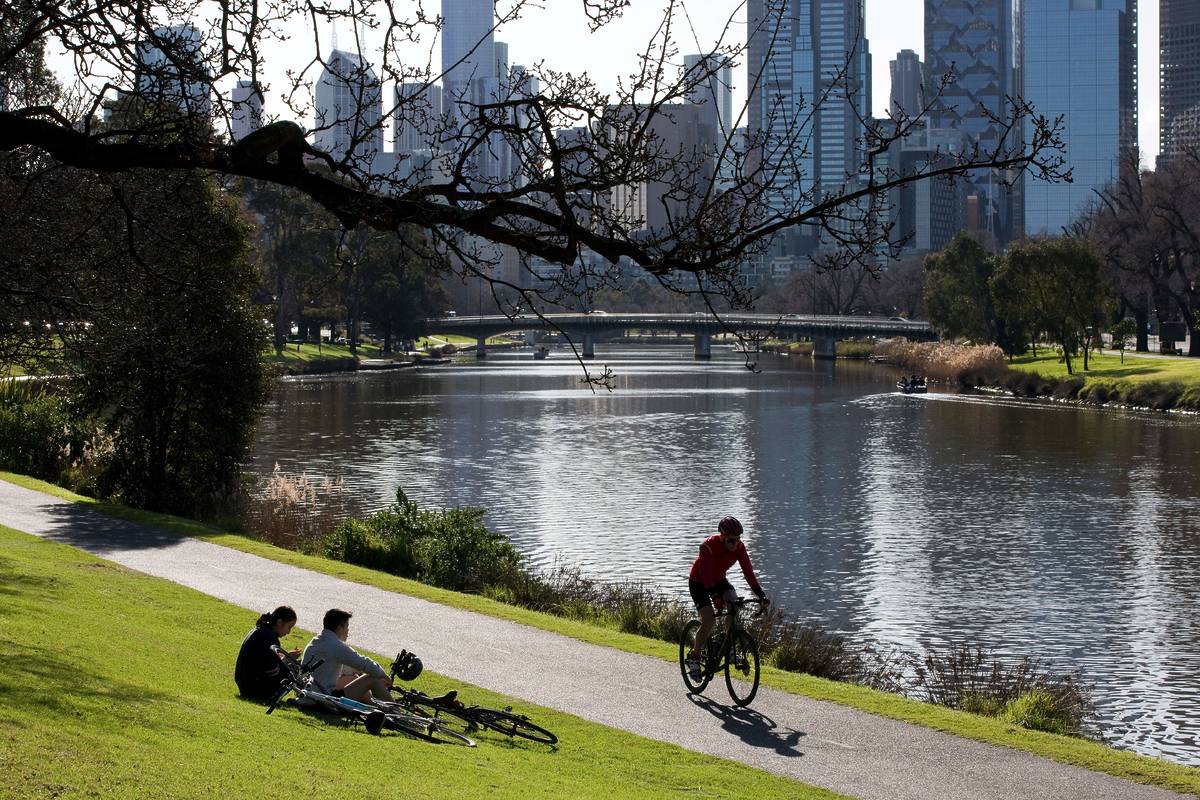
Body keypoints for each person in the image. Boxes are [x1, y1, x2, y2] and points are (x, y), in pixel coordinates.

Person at [685, 517, 769, 681]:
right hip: (699, 582)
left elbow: (748, 573)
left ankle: (726, 645)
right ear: (722, 537)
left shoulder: (739, 548)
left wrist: (761, 595)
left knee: (734, 604)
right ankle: (694, 658)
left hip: (719, 580)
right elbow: (706, 575)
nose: (735, 543)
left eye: (738, 539)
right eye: (731, 540)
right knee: (709, 620)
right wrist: (715, 596)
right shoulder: (707, 547)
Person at [302, 608, 394, 703]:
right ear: (339, 628)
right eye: (347, 626)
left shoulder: (316, 641)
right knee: (372, 678)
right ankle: (395, 710)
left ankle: (375, 705)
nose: (348, 630)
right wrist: (384, 676)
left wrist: (356, 671)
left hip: (309, 692)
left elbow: (336, 665)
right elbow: (365, 663)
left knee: (354, 679)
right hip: (324, 698)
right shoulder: (335, 646)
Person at [234, 605, 299, 701]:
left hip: (244, 684)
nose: (289, 632)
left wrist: (284, 657)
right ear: (279, 622)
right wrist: (287, 660)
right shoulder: (270, 637)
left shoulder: (260, 630)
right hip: (253, 687)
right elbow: (272, 670)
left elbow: (263, 661)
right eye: (289, 627)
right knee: (294, 670)